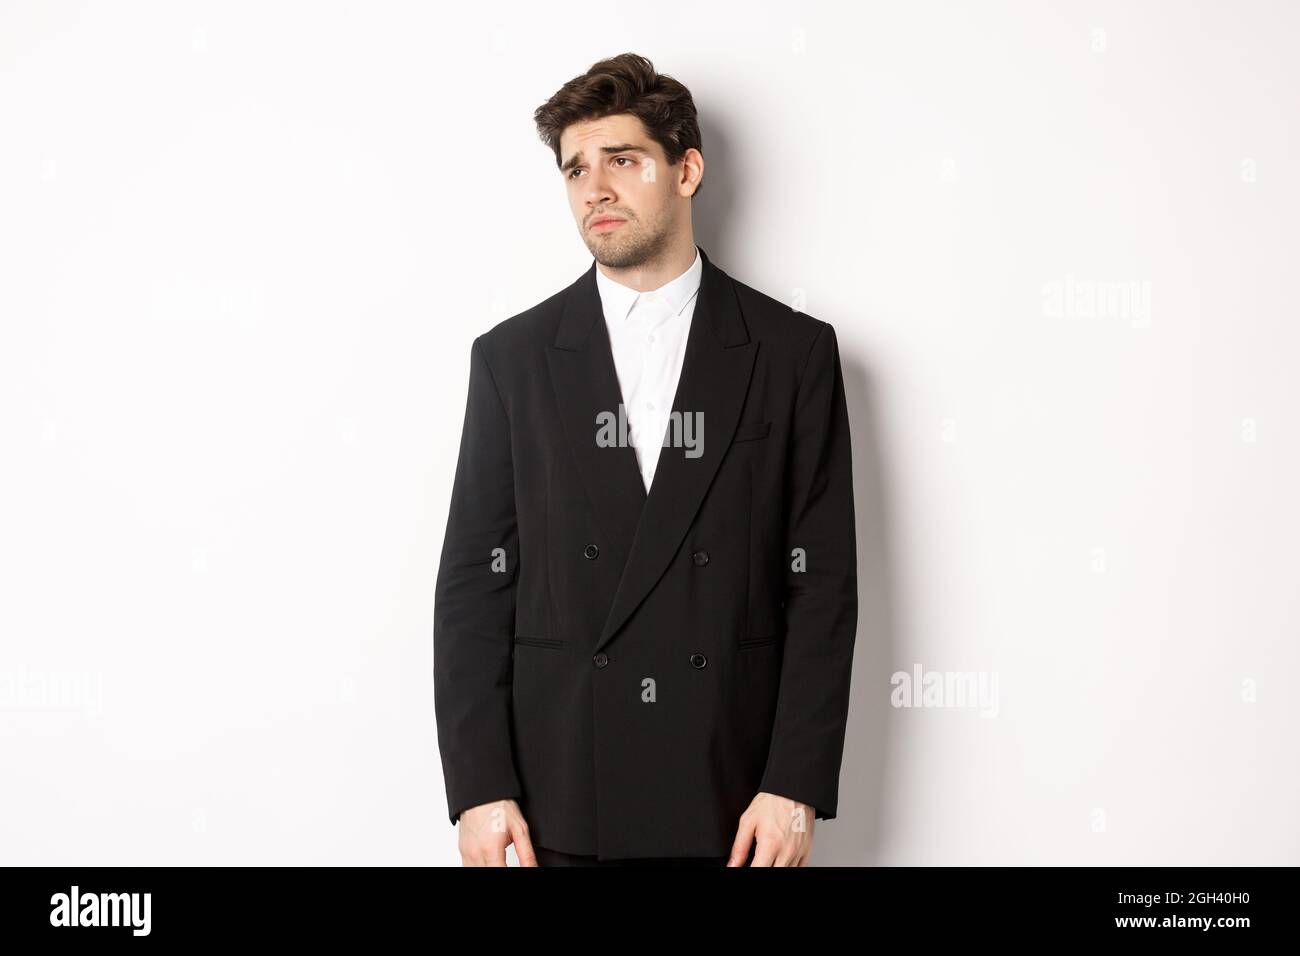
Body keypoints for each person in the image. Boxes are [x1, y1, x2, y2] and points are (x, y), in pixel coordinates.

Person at [434, 52, 858, 866]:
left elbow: (823, 588)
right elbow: (472, 590)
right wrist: (480, 788)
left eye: (622, 161)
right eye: (576, 170)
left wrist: (794, 785)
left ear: (686, 169)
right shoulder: (512, 360)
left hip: (736, 802)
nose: (595, 188)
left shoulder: (792, 352)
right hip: (560, 794)